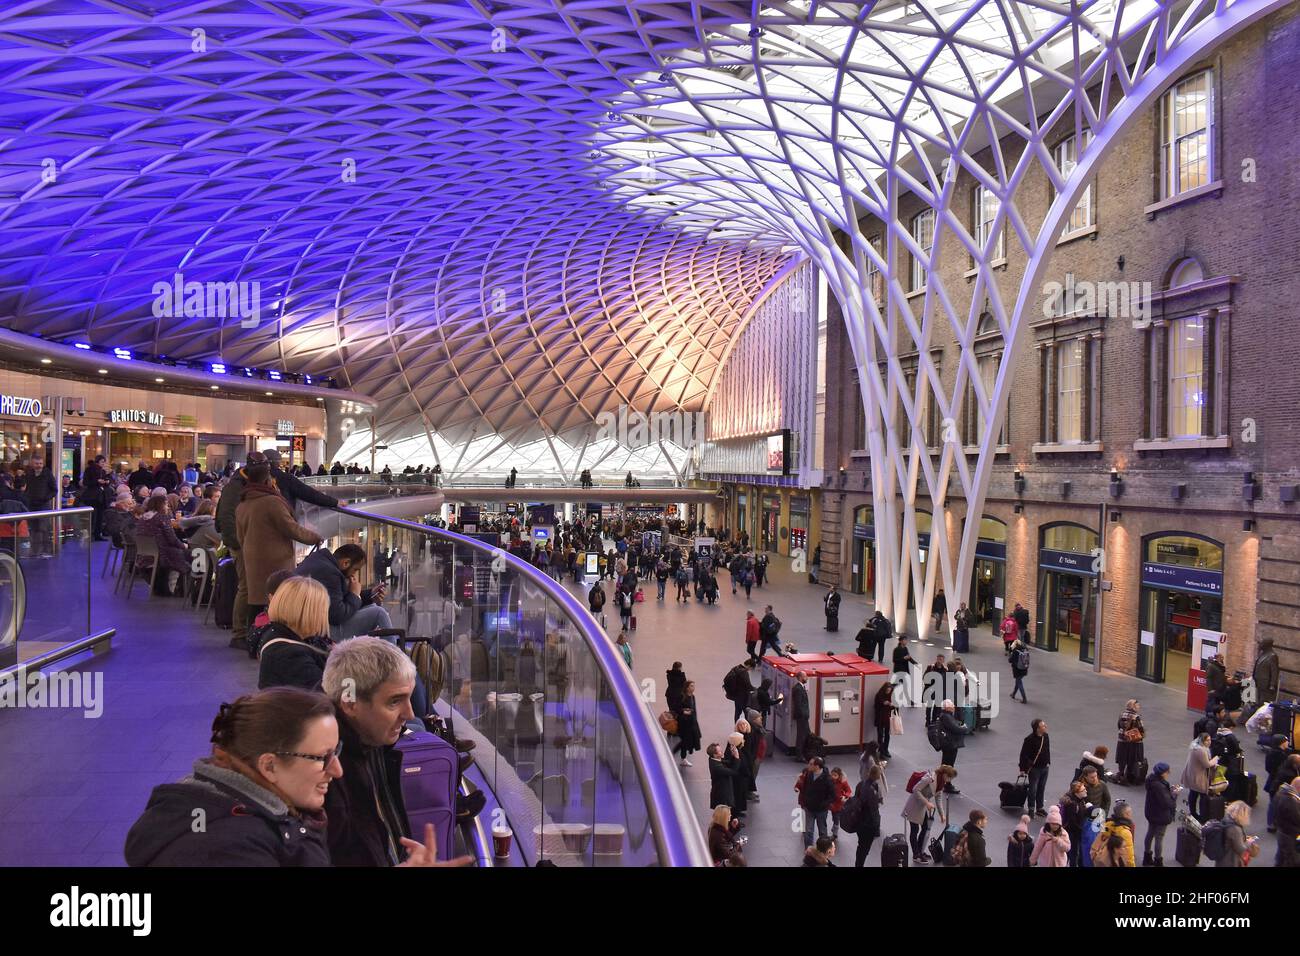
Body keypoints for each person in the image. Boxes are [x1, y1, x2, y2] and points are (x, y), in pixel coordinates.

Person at [124, 688, 340, 866]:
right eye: (322, 757)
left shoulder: (274, 813)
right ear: (270, 766)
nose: (337, 770)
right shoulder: (228, 850)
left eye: (336, 751)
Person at [321, 637, 473, 867]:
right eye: (394, 701)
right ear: (350, 702)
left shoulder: (373, 744)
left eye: (409, 698)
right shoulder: (323, 777)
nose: (410, 714)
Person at [235, 462, 324, 625]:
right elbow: (291, 528)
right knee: (276, 601)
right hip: (274, 561)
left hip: (252, 558)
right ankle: (271, 638)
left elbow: (240, 536)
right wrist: (314, 537)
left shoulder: (243, 503)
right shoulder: (272, 502)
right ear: (268, 480)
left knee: (256, 602)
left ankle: (251, 638)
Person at [295, 543, 393, 642]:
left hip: (310, 624)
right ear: (346, 563)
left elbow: (339, 597)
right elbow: (337, 615)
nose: (354, 574)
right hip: (318, 631)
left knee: (372, 607)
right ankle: (394, 656)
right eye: (355, 569)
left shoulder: (322, 563)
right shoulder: (329, 573)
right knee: (379, 613)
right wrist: (354, 595)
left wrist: (371, 594)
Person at [217, 450, 265, 649]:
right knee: (246, 588)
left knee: (250, 587)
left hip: (250, 543)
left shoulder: (249, 483)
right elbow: (226, 517)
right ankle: (239, 633)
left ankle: (249, 629)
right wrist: (237, 543)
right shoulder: (235, 487)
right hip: (241, 544)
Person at [255, 575, 335, 691]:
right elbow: (329, 697)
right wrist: (350, 676)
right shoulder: (290, 655)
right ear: (308, 614)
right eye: (322, 610)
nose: (325, 616)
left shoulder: (279, 636)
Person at [132, 493, 189, 594]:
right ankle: (183, 590)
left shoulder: (143, 518)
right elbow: (172, 539)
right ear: (160, 505)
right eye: (166, 504)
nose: (168, 506)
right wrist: (184, 545)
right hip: (162, 553)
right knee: (193, 554)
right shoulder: (162, 518)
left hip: (144, 554)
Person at [902, 765, 955, 864]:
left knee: (925, 828)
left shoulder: (940, 782)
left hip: (922, 808)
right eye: (949, 777)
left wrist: (941, 814)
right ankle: (916, 855)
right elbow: (915, 789)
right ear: (944, 774)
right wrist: (927, 802)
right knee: (915, 830)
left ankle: (920, 851)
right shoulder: (929, 778)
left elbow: (938, 798)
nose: (949, 780)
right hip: (914, 806)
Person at [1141, 761, 1179, 866]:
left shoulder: (1151, 780)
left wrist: (1169, 792)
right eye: (1167, 771)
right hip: (1161, 815)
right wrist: (1174, 795)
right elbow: (1167, 803)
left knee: (1150, 833)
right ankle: (1158, 860)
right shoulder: (1160, 786)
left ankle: (1147, 856)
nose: (1169, 773)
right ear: (1162, 773)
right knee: (1159, 837)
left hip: (1151, 812)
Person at [794, 757, 833, 848]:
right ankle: (808, 849)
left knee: (822, 831)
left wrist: (825, 804)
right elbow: (806, 788)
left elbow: (832, 795)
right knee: (808, 831)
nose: (808, 765)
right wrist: (806, 801)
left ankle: (823, 850)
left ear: (817, 766)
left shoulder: (827, 779)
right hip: (810, 808)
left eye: (811, 764)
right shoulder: (809, 774)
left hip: (821, 810)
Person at [851, 764, 885, 867]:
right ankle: (859, 865)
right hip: (867, 824)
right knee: (864, 848)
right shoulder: (872, 789)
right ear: (877, 774)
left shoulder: (861, 784)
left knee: (861, 846)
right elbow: (873, 810)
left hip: (859, 821)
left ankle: (858, 864)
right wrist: (876, 828)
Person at [1181, 732, 1219, 821]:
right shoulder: (1201, 750)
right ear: (1202, 741)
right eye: (1207, 740)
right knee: (1202, 795)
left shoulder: (1195, 747)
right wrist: (1216, 759)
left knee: (1193, 793)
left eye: (1210, 740)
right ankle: (1202, 816)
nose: (1209, 742)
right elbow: (1207, 764)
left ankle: (1193, 813)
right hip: (1198, 776)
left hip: (1192, 774)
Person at [1019, 718, 1051, 817]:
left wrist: (1048, 762)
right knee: (1033, 789)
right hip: (1035, 769)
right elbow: (1023, 754)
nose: (1045, 727)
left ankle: (1040, 808)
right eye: (1043, 726)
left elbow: (1047, 750)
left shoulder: (1045, 736)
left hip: (1045, 767)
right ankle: (1031, 808)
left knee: (1041, 788)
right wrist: (1022, 769)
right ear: (1037, 728)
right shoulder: (1029, 739)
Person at [937, 700, 971, 789]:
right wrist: (964, 728)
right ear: (947, 707)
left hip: (948, 744)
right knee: (949, 765)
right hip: (949, 744)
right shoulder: (946, 717)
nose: (954, 707)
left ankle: (942, 782)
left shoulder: (945, 715)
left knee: (946, 764)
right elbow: (955, 728)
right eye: (952, 705)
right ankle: (946, 784)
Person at [1059, 779, 1091, 867]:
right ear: (1077, 793)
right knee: (1072, 854)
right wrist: (1082, 830)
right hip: (1072, 834)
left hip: (1075, 832)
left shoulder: (1080, 800)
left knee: (1073, 854)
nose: (1086, 791)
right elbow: (1072, 822)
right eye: (1083, 790)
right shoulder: (1072, 804)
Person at [1091, 803, 1136, 867]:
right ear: (1126, 814)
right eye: (1130, 812)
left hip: (1103, 861)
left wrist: (1094, 858)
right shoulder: (1125, 832)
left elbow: (1095, 845)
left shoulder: (1107, 825)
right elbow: (1129, 855)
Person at [1116, 699, 1146, 785]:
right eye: (1137, 705)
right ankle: (1132, 777)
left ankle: (1121, 775)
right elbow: (1141, 729)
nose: (1139, 707)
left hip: (1122, 740)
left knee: (1122, 758)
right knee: (1133, 759)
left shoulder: (1122, 714)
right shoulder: (1136, 717)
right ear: (1133, 706)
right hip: (1134, 742)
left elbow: (1119, 726)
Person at [672, 680, 702, 766]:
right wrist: (684, 711)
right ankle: (676, 755)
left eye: (694, 686)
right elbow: (676, 708)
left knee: (685, 741)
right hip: (683, 723)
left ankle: (681, 757)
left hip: (691, 722)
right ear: (687, 687)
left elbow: (694, 710)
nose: (693, 687)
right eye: (692, 686)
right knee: (685, 741)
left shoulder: (692, 696)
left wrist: (695, 721)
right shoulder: (682, 696)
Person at [1274, 773, 1300, 866]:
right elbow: (1297, 818)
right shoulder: (1290, 800)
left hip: (1283, 832)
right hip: (1289, 835)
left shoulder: (1282, 793)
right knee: (1291, 860)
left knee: (1281, 857)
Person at [708, 743, 742, 812]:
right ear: (715, 755)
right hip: (722, 795)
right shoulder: (717, 767)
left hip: (721, 792)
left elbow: (727, 762)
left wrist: (733, 755)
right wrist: (737, 757)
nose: (722, 752)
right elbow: (733, 772)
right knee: (723, 815)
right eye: (720, 751)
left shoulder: (713, 759)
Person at [1252, 637, 1281, 709]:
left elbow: (1274, 671)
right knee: (1258, 701)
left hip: (1266, 684)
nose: (1260, 645)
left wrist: (1272, 685)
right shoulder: (1262, 654)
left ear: (1266, 645)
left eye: (1261, 643)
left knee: (1263, 703)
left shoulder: (1272, 656)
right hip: (1259, 682)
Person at [873, 681, 897, 759]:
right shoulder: (879, 696)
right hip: (880, 718)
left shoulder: (889, 696)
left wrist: (892, 706)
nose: (888, 692)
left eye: (889, 690)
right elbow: (876, 706)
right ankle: (881, 751)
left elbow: (889, 707)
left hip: (887, 718)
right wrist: (883, 703)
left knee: (887, 735)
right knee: (880, 735)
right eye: (887, 690)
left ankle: (885, 749)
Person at [791, 671, 811, 757]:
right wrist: (803, 714)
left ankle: (803, 753)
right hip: (802, 717)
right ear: (800, 678)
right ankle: (799, 755)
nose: (807, 678)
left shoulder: (800, 688)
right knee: (801, 736)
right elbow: (798, 704)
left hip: (803, 717)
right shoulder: (798, 689)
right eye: (805, 676)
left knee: (805, 734)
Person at [829, 767, 853, 838]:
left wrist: (845, 796)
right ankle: (834, 827)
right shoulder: (830, 781)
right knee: (834, 817)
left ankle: (835, 834)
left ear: (839, 776)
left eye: (835, 775)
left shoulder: (843, 783)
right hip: (831, 803)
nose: (833, 777)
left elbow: (849, 791)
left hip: (839, 804)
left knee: (836, 818)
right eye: (832, 775)